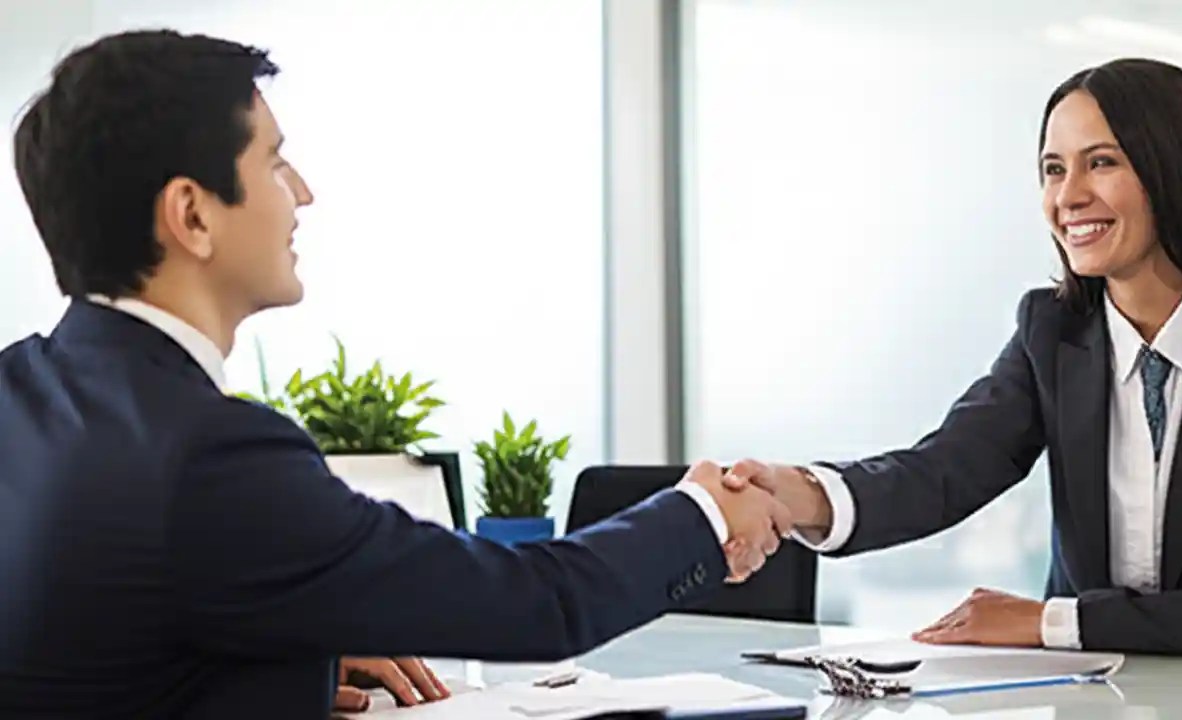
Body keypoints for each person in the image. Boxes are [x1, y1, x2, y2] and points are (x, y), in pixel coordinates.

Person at [0, 30, 796, 718]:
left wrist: (292, 652)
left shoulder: (18, 394)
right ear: (194, 215)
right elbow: (535, 603)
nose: (303, 194)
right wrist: (704, 514)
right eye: (275, 162)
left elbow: (96, 644)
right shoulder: (210, 457)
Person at [722, 58, 1182, 655]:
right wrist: (797, 492)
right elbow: (944, 469)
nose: (1068, 196)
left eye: (1101, 162)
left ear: (1177, 172)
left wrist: (1051, 624)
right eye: (1053, 169)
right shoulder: (1053, 333)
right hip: (1091, 700)